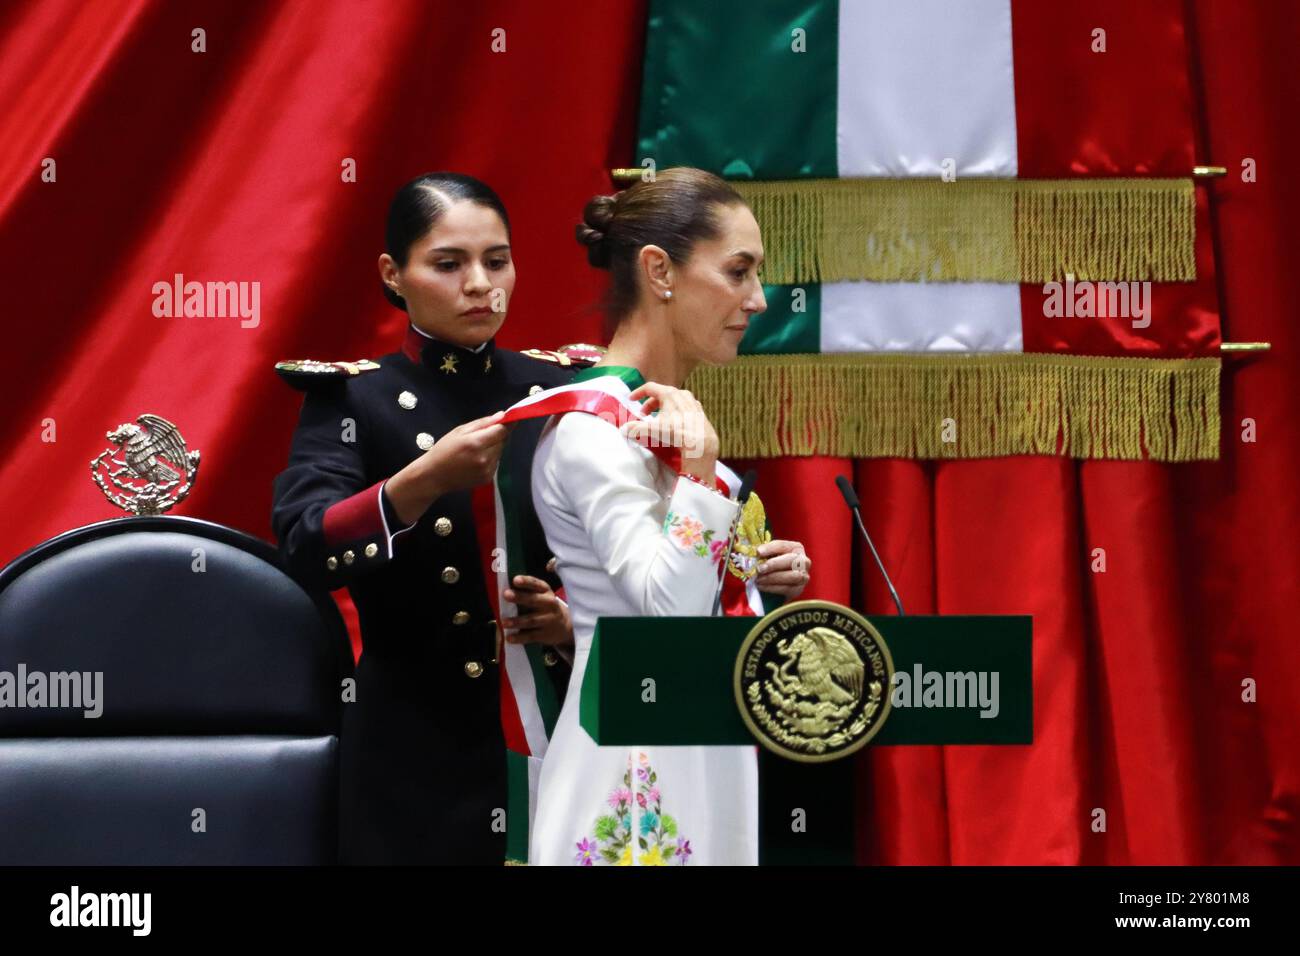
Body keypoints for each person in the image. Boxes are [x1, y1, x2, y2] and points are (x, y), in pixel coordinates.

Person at [271, 172, 577, 864]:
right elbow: (304, 547)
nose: (480, 284)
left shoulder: (560, 391)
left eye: (496, 260)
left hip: (555, 726)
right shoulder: (354, 400)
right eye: (449, 263)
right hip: (412, 745)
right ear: (394, 274)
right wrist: (419, 483)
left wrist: (569, 623)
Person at [522, 168, 813, 866]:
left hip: (703, 742)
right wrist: (703, 477)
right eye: (739, 272)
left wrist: (762, 575)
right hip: (629, 757)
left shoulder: (665, 420)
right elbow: (667, 612)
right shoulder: (592, 432)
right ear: (660, 271)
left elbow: (702, 598)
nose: (760, 299)